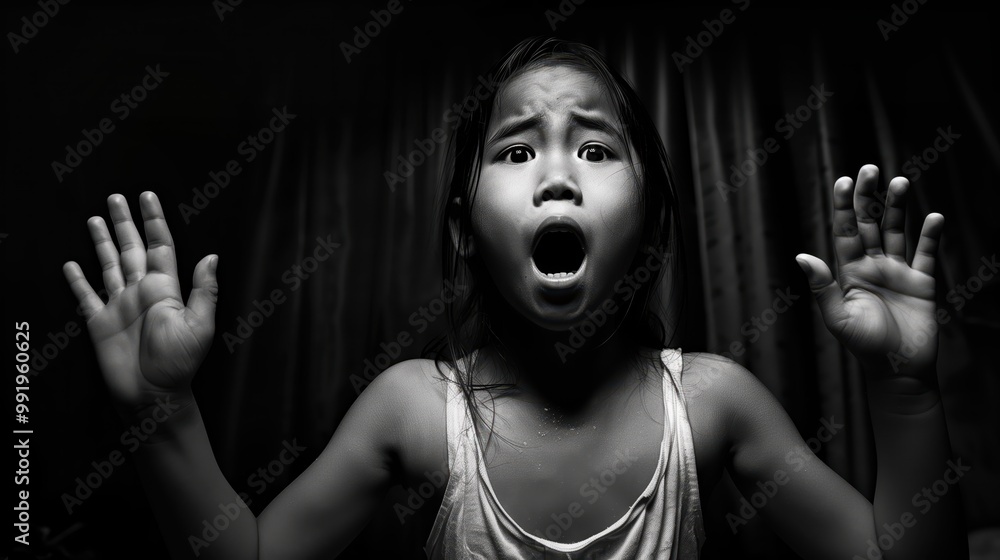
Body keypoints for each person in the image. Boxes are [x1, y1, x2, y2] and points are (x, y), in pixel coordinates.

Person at [62, 37, 967, 559]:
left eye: (597, 149)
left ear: (652, 227)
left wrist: (903, 391)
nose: (558, 176)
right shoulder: (414, 409)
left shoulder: (712, 402)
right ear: (465, 229)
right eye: (518, 149)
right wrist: (164, 414)